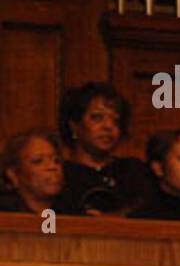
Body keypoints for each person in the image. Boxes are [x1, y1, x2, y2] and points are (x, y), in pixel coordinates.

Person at [56, 83, 154, 215]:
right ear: (74, 126)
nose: (108, 126)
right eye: (97, 117)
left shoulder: (135, 172)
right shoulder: (59, 174)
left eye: (115, 120)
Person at [0, 128, 78, 215]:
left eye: (56, 161)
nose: (52, 167)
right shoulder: (5, 213)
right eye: (38, 161)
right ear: (13, 174)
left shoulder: (75, 213)